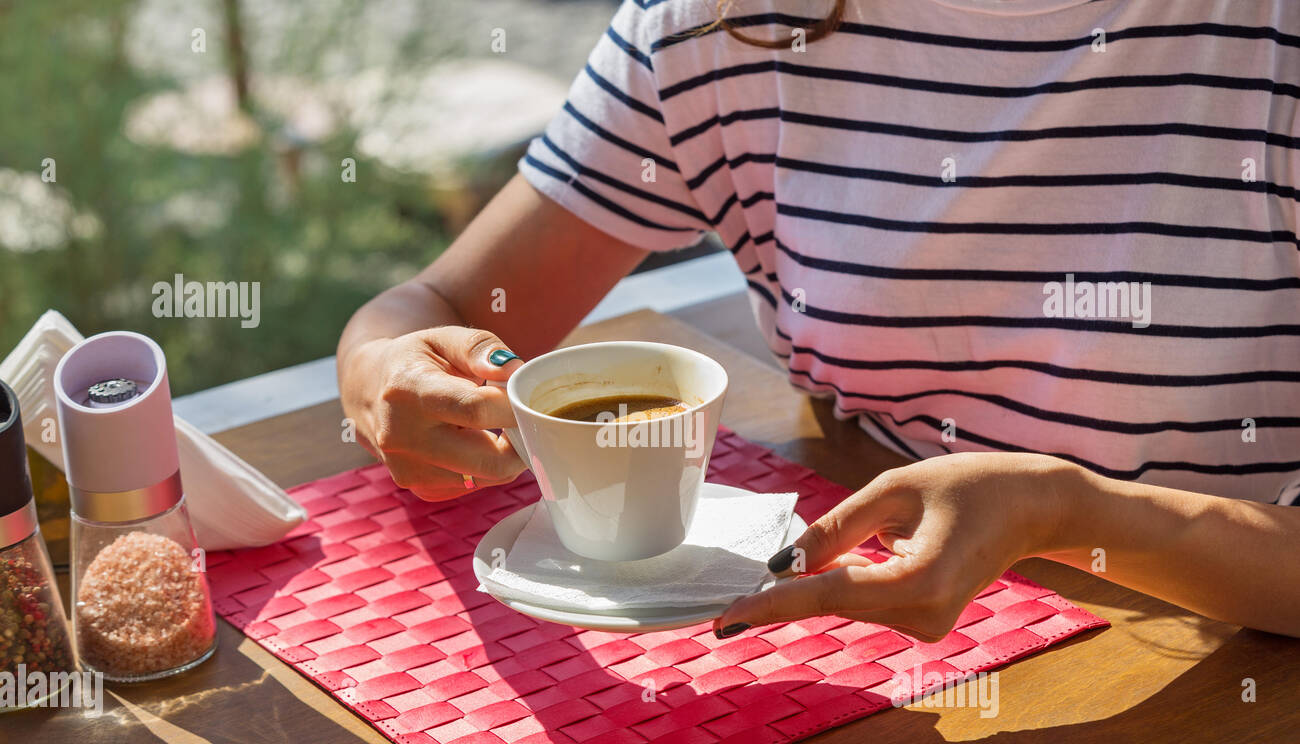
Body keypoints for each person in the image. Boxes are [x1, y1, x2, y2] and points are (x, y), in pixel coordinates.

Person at [336, 0, 1300, 641]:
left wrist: (1075, 515)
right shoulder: (721, 23)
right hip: (889, 690)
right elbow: (448, 309)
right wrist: (384, 370)